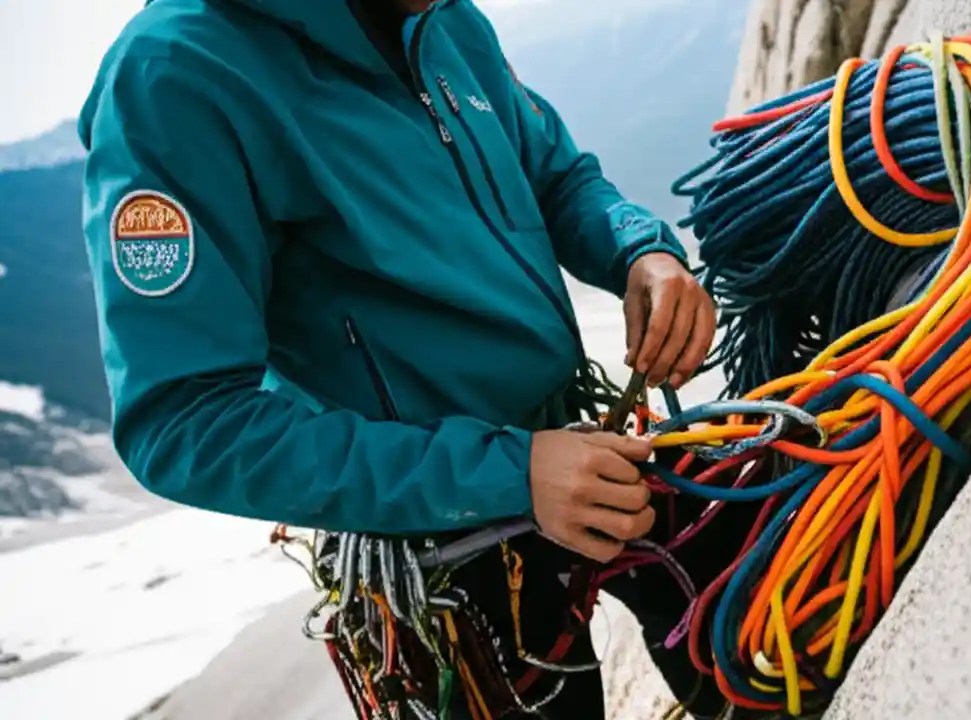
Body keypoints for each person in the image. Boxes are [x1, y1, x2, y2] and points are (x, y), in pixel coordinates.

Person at [79, 0, 721, 716]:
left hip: (578, 450)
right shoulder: (176, 77)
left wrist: (641, 251)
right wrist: (510, 472)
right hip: (442, 554)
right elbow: (182, 422)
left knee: (757, 638)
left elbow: (553, 175)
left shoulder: (438, 21)